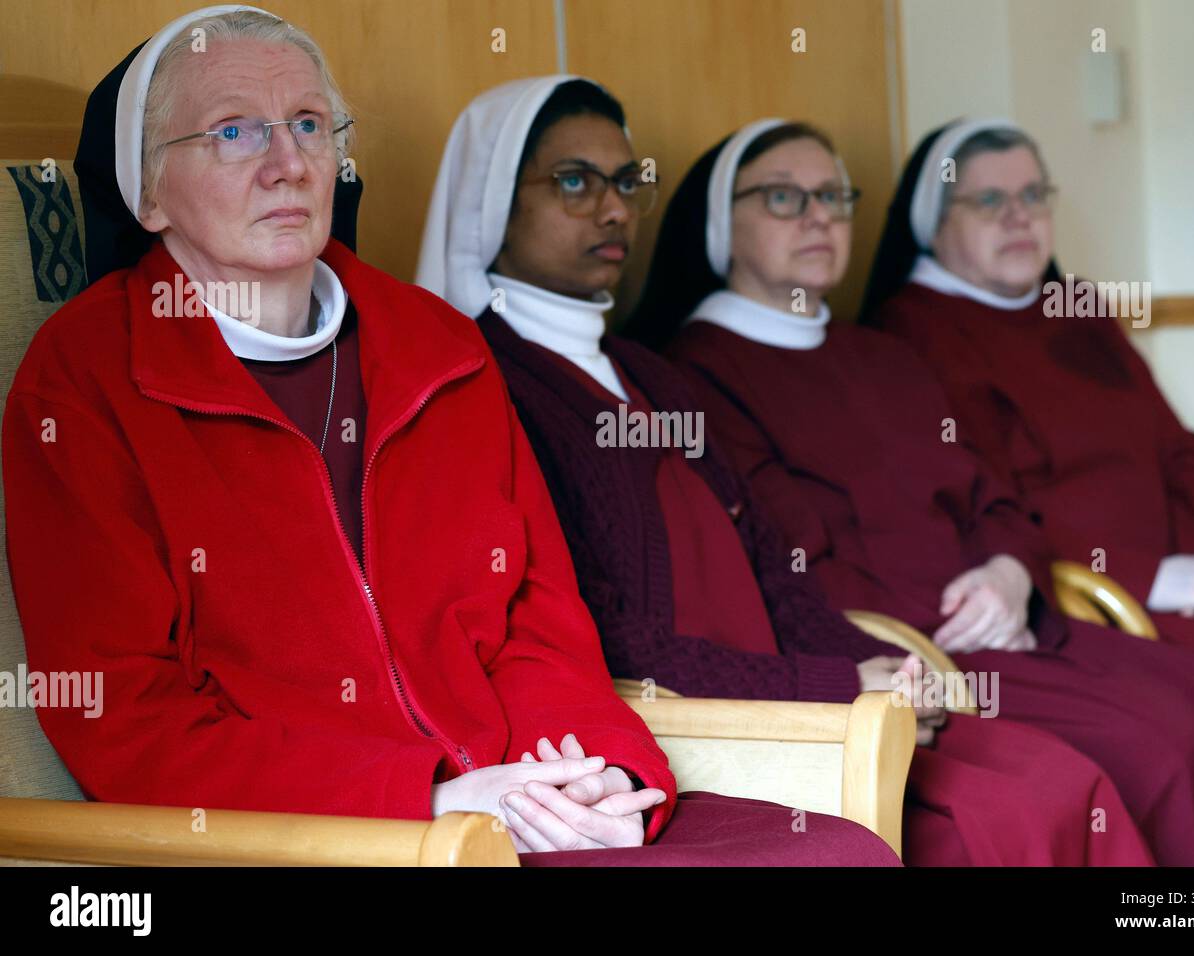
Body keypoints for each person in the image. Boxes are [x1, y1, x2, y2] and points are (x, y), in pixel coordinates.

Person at [2, 6, 898, 867]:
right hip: (316, 833)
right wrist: (425, 799)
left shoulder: (437, 347)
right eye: (234, 131)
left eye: (310, 124)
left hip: (516, 796)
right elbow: (127, 719)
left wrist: (596, 777)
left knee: (837, 852)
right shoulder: (83, 381)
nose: (287, 164)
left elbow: (537, 622)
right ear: (147, 192)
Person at [417, 76, 1156, 866]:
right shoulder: (487, 382)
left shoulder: (649, 373)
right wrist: (834, 685)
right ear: (492, 201)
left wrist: (867, 668)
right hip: (698, 727)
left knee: (1057, 780)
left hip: (794, 691)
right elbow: (604, 641)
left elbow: (772, 563)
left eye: (628, 182)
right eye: (574, 181)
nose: (613, 209)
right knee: (989, 816)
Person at [632, 117, 1194, 865]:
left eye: (832, 196)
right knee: (1152, 750)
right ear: (722, 223)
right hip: (917, 651)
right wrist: (935, 635)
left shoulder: (879, 353)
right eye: (784, 199)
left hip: (1014, 624)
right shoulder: (695, 370)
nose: (818, 216)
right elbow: (783, 561)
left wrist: (1012, 575)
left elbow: (992, 495)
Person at [861, 118, 1194, 747]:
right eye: (990, 200)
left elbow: (1183, 453)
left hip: (1192, 580)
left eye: (1035, 196)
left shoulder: (1078, 307)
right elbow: (987, 506)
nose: (1020, 218)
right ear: (933, 221)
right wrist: (1148, 578)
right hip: (1089, 604)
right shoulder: (909, 334)